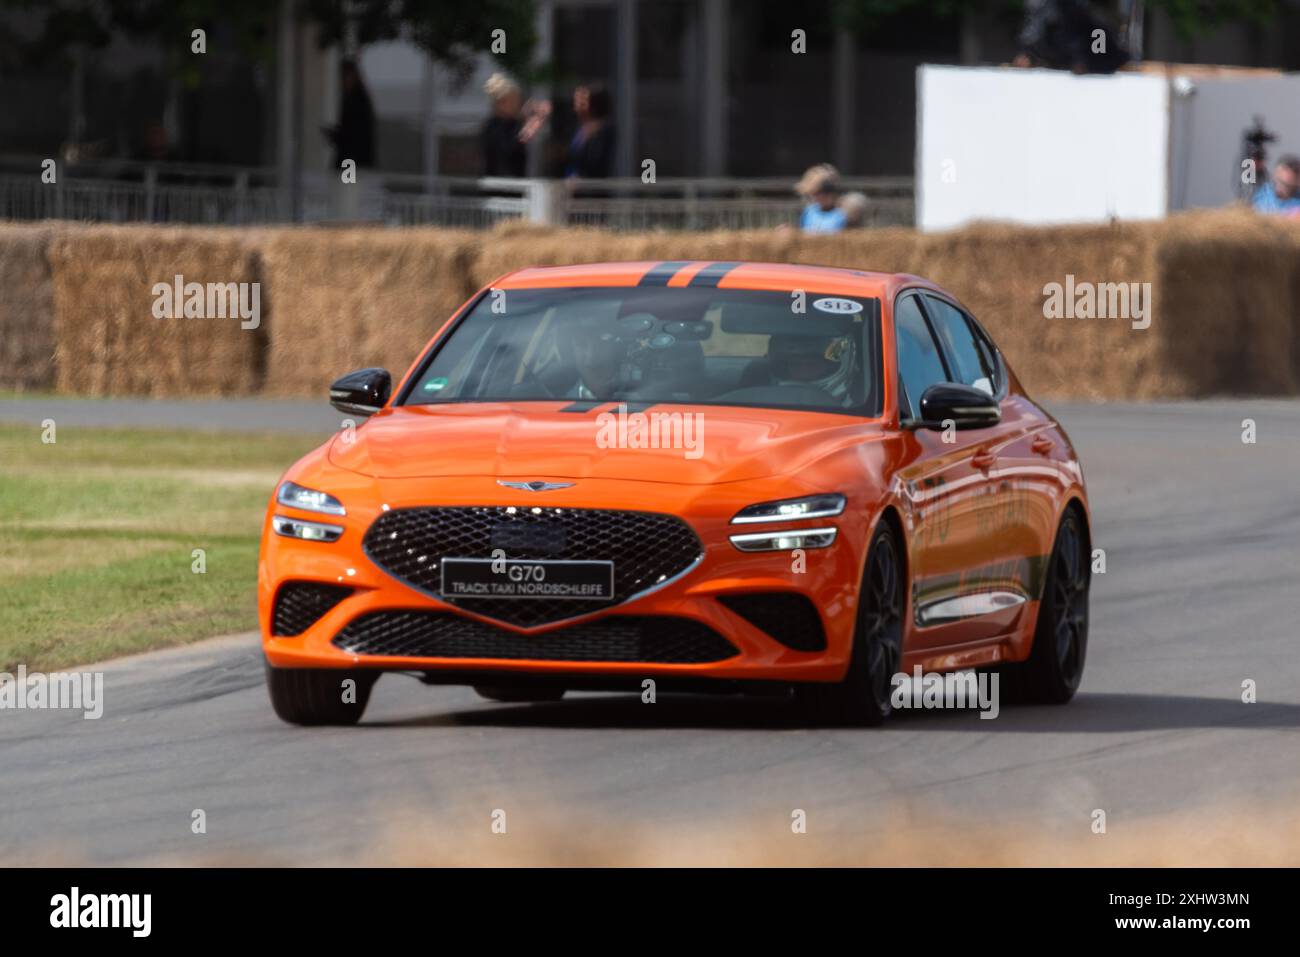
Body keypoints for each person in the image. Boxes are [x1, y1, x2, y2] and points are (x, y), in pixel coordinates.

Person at [480, 72, 550, 177]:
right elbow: (511, 148)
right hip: (501, 187)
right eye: (514, 100)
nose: (518, 104)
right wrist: (533, 122)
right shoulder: (494, 126)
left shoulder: (512, 122)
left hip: (515, 185)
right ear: (502, 102)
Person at [323, 59, 375, 169]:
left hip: (352, 159)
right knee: (347, 184)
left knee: (348, 184)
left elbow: (353, 134)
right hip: (353, 159)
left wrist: (336, 136)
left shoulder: (356, 101)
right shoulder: (354, 99)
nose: (343, 81)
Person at [565, 84, 616, 179]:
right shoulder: (578, 128)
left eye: (582, 101)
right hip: (572, 185)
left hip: (591, 187)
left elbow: (597, 161)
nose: (577, 106)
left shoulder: (604, 129)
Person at [795, 164, 847, 233]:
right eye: (816, 193)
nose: (821, 196)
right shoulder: (808, 212)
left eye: (827, 191)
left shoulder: (841, 215)